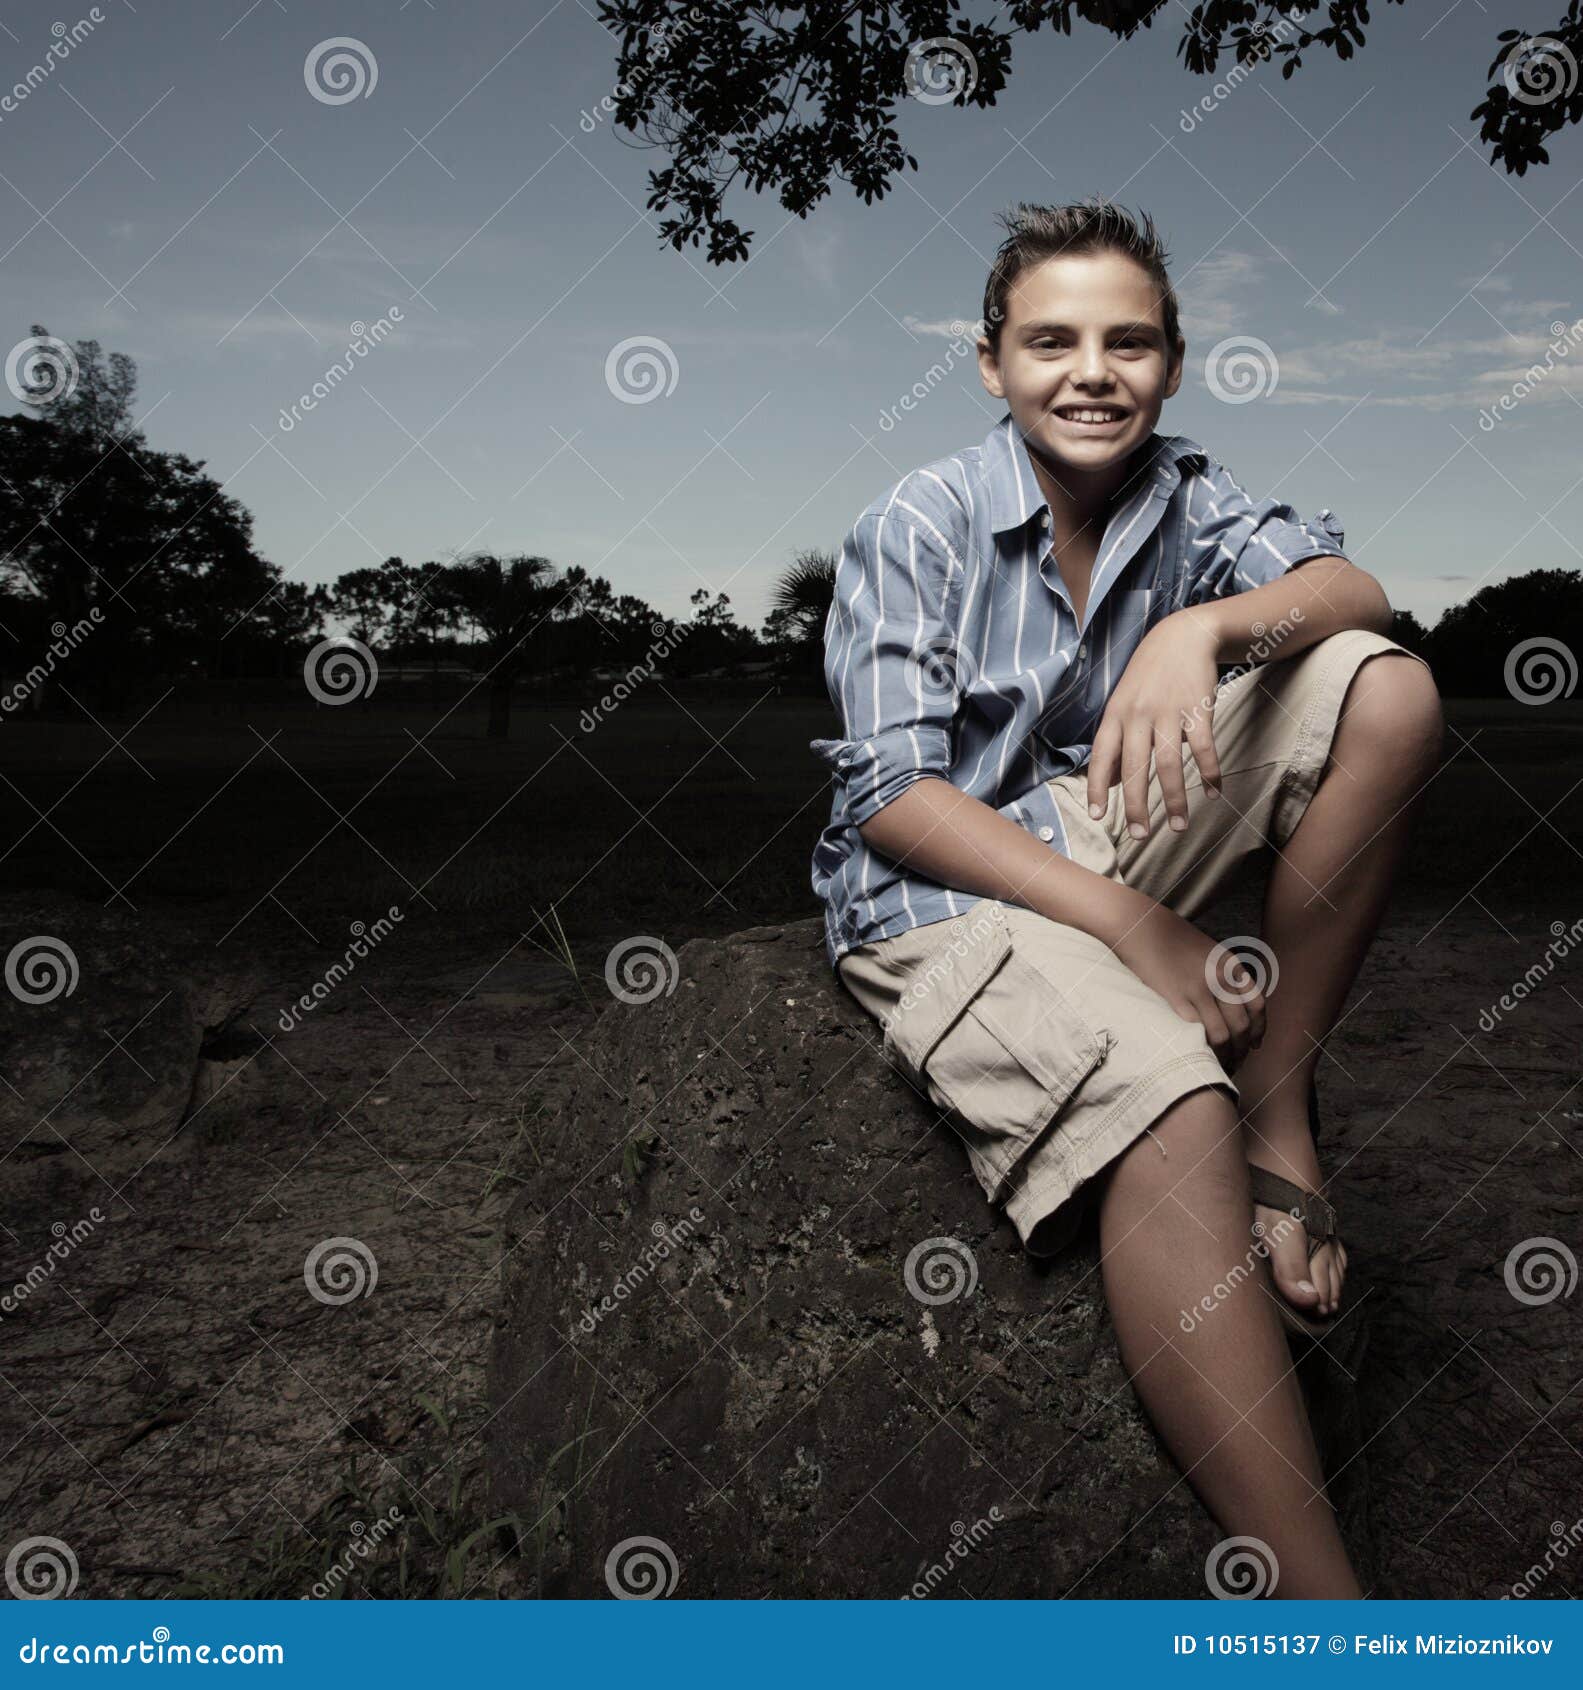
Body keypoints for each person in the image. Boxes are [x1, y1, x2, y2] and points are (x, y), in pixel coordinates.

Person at [809, 199, 1443, 1599]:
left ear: (1170, 361)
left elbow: (1361, 589)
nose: (1090, 371)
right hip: (944, 885)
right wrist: (1137, 926)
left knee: (1385, 689)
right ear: (989, 364)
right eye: (1051, 340)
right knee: (1170, 1097)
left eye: (1127, 341)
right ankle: (1324, 1610)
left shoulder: (1183, 497)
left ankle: (1284, 1100)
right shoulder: (918, 521)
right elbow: (892, 798)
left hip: (1105, 825)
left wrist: (1201, 627)